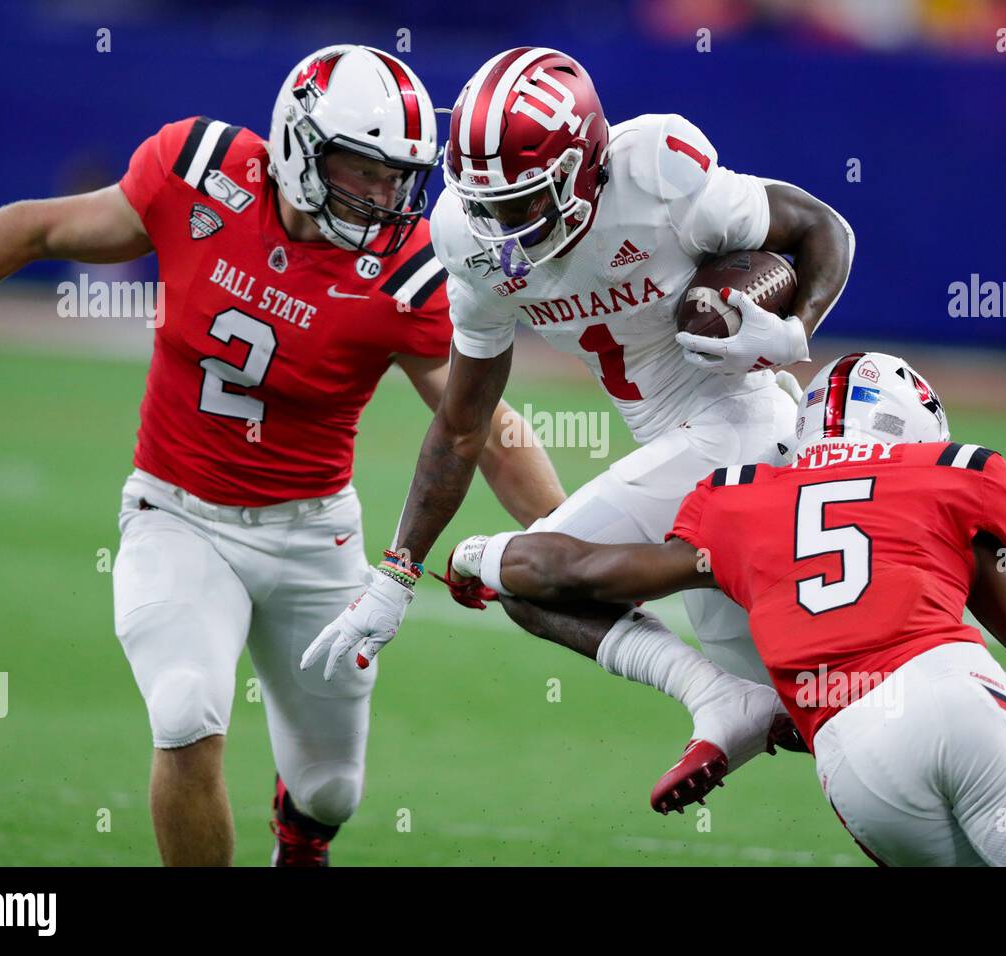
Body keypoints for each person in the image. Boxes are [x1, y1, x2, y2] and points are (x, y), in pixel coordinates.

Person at [0, 44, 563, 866]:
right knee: (185, 717)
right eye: (363, 171)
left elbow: (483, 426)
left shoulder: (406, 268)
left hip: (312, 532)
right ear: (299, 146)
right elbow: (42, 227)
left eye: (399, 176)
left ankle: (299, 836)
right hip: (175, 515)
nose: (387, 196)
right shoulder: (199, 171)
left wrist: (566, 535)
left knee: (332, 789)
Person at [303, 46, 855, 807]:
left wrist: (794, 333)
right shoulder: (471, 239)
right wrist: (397, 569)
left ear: (583, 167)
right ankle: (730, 690)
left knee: (503, 566)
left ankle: (739, 662)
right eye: (484, 204)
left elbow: (823, 228)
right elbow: (465, 423)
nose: (500, 226)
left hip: (741, 419)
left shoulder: (660, 173)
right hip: (676, 448)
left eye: (521, 202)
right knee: (821, 709)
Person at [450, 351, 1006, 865]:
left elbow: (575, 568)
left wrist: (479, 555)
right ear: (916, 427)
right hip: (948, 701)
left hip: (850, 760)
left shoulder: (742, 501)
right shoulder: (951, 479)